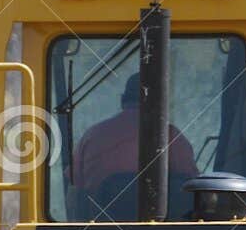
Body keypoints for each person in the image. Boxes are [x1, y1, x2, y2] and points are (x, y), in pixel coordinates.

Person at [73, 73, 199, 219]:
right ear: (162, 101)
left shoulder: (92, 136)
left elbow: (74, 194)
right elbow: (191, 190)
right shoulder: (172, 136)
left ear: (122, 100)